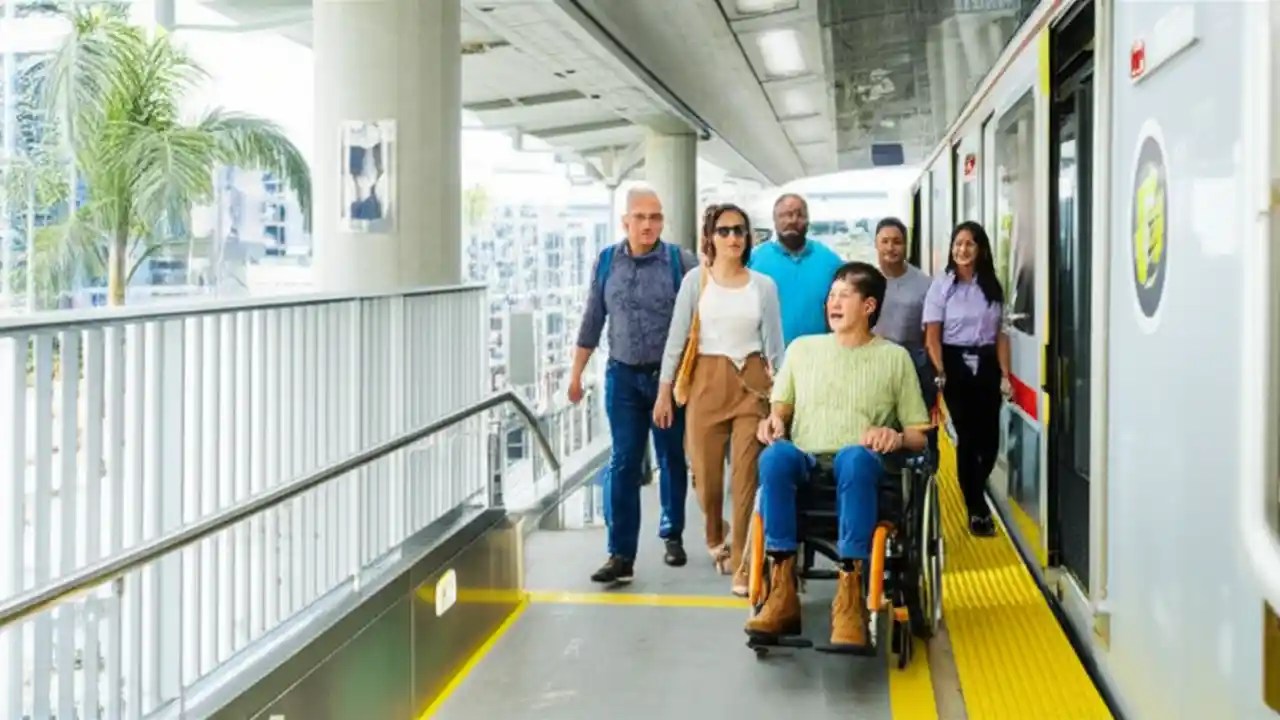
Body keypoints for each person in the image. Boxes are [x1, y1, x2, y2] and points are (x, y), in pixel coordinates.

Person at [744, 262, 930, 651]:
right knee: (775, 459)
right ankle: (781, 590)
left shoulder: (894, 358)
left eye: (845, 294)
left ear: (869, 306)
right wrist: (773, 422)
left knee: (855, 459)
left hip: (862, 469)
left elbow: (919, 436)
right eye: (831, 295)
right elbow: (781, 408)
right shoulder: (802, 349)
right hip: (807, 466)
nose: (834, 301)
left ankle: (850, 597)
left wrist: (894, 436)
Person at [571, 185, 699, 583]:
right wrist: (576, 374)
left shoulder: (681, 262)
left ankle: (672, 533)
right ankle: (620, 554)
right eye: (640, 217)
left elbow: (698, 325)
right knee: (624, 461)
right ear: (625, 221)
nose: (648, 224)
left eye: (655, 217)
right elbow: (593, 320)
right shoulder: (607, 262)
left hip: (669, 378)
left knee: (671, 458)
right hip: (622, 377)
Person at [656, 203, 784, 596]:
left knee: (746, 480)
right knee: (707, 482)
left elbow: (776, 349)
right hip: (705, 387)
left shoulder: (763, 285)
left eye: (740, 231)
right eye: (725, 230)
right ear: (710, 236)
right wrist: (664, 391)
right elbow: (677, 339)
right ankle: (716, 533)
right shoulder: (697, 280)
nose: (733, 238)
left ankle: (744, 564)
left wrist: (781, 403)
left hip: (752, 386)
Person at [923, 221, 1012, 537]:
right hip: (955, 363)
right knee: (968, 436)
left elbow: (1001, 334)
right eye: (957, 243)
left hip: (986, 362)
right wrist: (942, 370)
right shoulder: (942, 286)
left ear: (981, 249)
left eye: (969, 244)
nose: (962, 250)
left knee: (989, 441)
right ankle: (977, 509)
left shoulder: (992, 286)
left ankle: (976, 485)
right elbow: (932, 336)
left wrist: (1005, 374)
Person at [748, 193, 844, 347]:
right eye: (785, 215)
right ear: (775, 220)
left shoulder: (830, 262)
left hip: (818, 359)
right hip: (767, 361)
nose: (792, 220)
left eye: (799, 215)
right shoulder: (754, 261)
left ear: (808, 220)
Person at [871, 217, 937, 438]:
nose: (891, 247)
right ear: (876, 245)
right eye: (885, 241)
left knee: (915, 431)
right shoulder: (865, 281)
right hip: (874, 366)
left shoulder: (925, 284)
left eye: (897, 242)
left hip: (914, 367)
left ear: (906, 245)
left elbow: (932, 331)